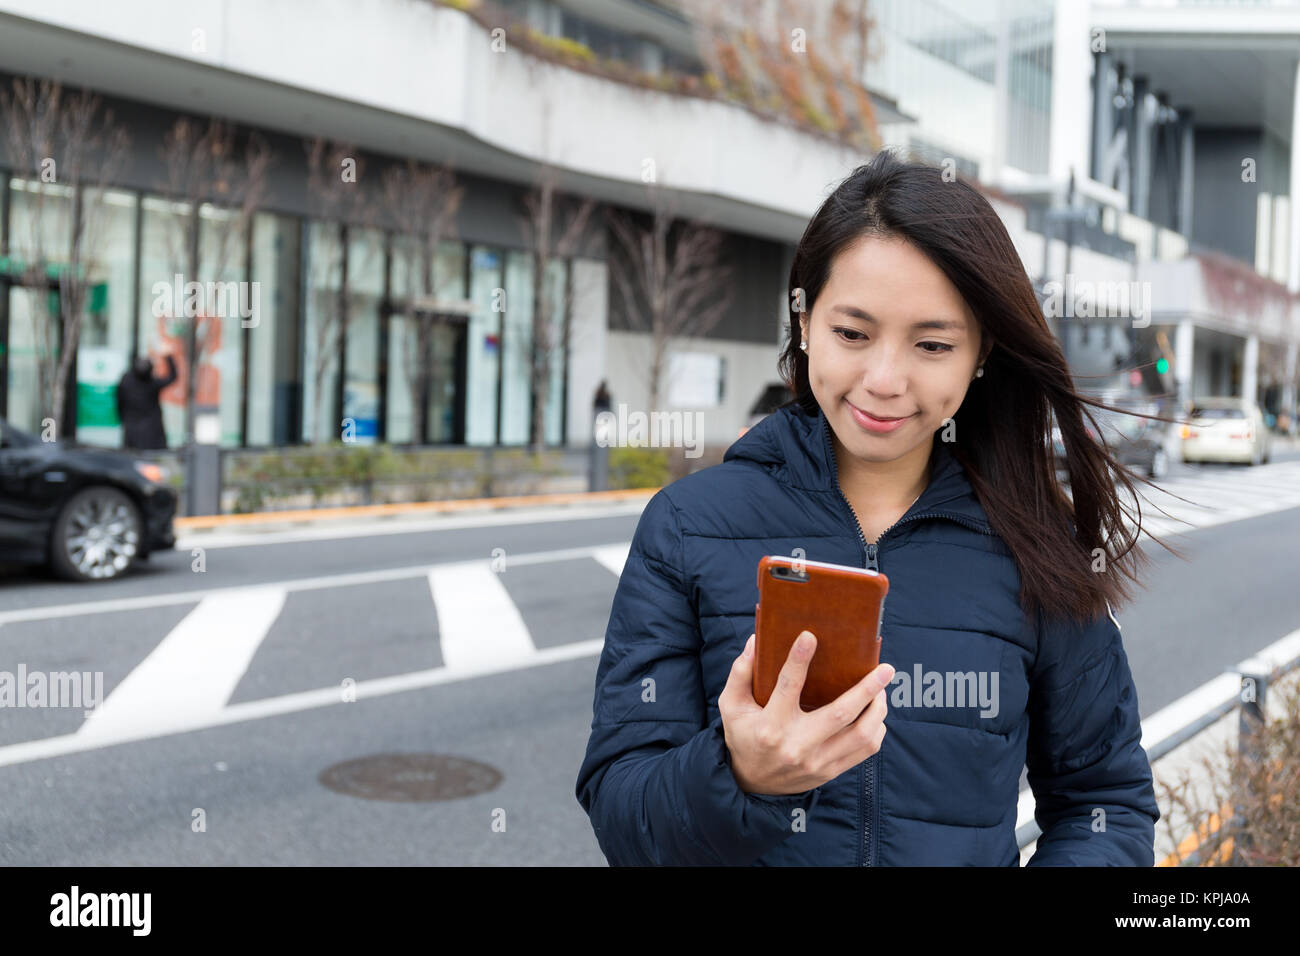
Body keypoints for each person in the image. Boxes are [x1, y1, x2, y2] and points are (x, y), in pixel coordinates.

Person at [574, 149, 1170, 866]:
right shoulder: (685, 526)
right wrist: (742, 778)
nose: (884, 380)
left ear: (981, 352)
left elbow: (1105, 804)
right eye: (852, 334)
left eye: (932, 343)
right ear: (803, 322)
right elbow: (621, 810)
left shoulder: (1033, 546)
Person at [116, 350, 178, 450]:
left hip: (133, 428)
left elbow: (119, 402)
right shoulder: (152, 383)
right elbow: (172, 377)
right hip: (151, 430)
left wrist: (122, 418)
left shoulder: (126, 381)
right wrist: (167, 355)